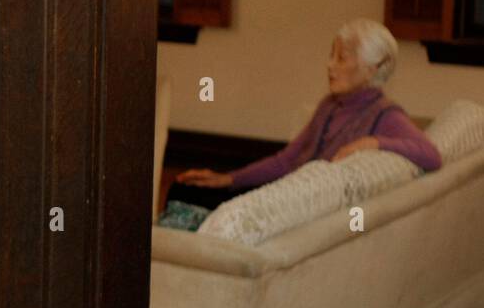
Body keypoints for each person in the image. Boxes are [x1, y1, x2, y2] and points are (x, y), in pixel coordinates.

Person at [168, 18, 442, 212]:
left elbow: (431, 155)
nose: (330, 65)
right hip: (283, 193)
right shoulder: (330, 105)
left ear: (372, 68)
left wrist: (374, 143)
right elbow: (286, 160)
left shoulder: (385, 115)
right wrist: (228, 178)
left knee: (186, 196)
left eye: (341, 58)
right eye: (331, 55)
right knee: (187, 188)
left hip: (292, 207)